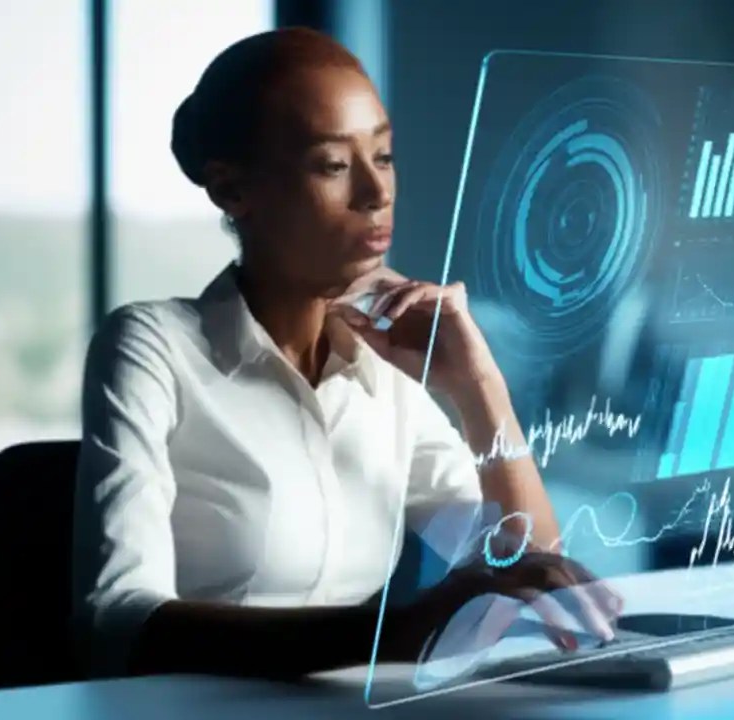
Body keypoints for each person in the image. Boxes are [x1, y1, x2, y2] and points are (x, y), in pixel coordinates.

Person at [71, 27, 620, 680]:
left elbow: (526, 563)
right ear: (231, 190)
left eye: (383, 157)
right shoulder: (154, 348)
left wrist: (478, 385)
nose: (376, 192)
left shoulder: (383, 366)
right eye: (334, 164)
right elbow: (118, 619)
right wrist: (394, 631)